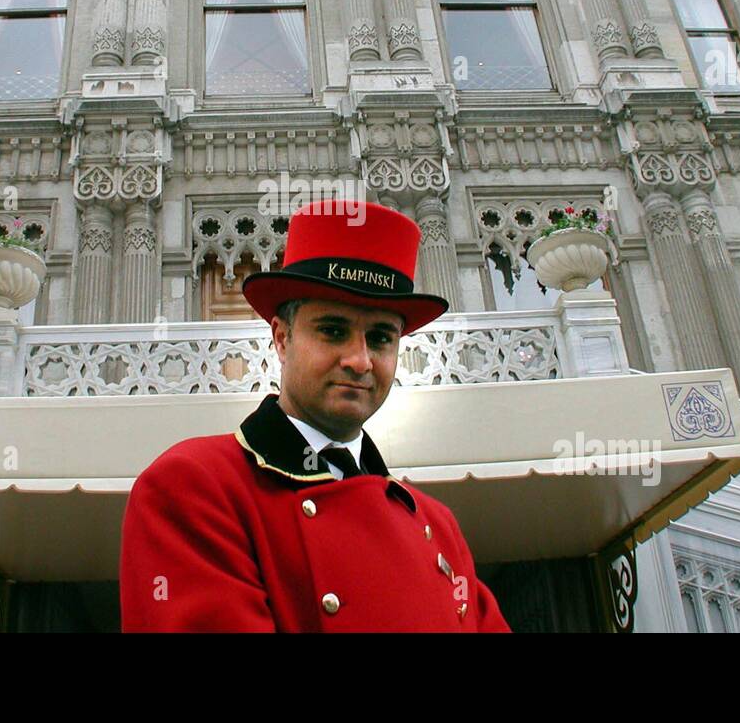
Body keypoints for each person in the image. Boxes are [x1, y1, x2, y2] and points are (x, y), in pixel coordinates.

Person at [119, 199, 511, 632]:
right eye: (333, 330)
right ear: (282, 339)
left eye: (381, 338)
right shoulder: (193, 485)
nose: (360, 360)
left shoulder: (438, 523)